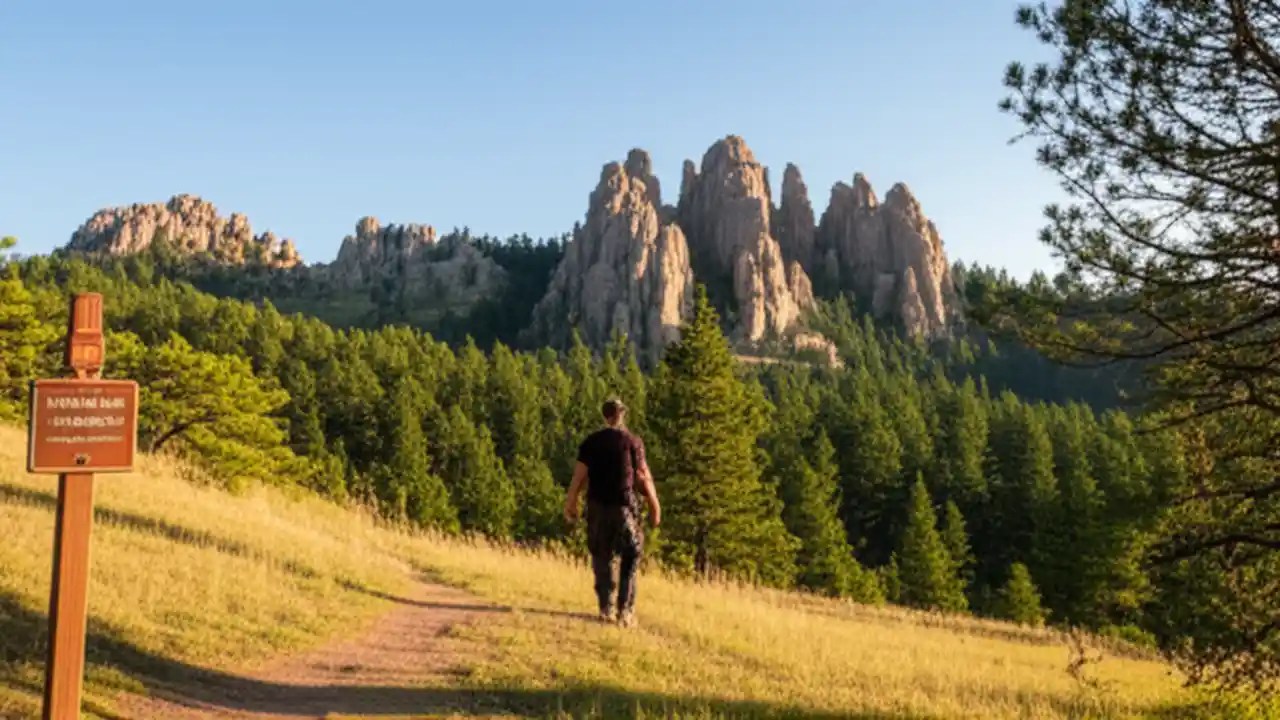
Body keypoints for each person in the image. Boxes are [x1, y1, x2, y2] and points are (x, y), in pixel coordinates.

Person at [563, 397, 661, 627]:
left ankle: (605, 607)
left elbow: (578, 477)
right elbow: (643, 477)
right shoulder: (632, 442)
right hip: (623, 507)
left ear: (605, 416)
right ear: (622, 415)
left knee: (601, 556)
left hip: (597, 506)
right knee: (631, 555)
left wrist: (571, 502)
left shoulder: (591, 442)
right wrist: (655, 505)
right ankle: (625, 611)